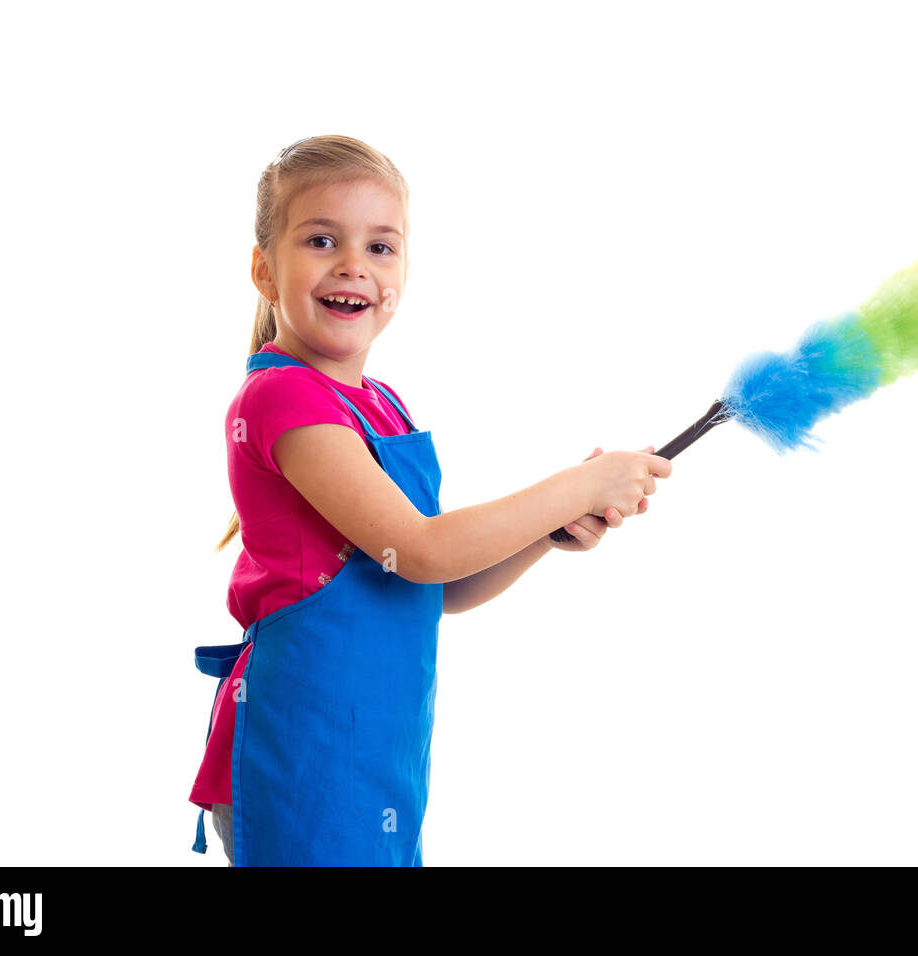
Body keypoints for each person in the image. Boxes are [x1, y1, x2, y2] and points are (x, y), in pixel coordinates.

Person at [187, 134, 670, 866]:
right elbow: (419, 550)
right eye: (322, 240)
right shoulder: (284, 397)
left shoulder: (380, 405)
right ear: (264, 269)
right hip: (302, 757)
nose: (354, 264)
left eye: (381, 248)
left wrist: (548, 532)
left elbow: (432, 584)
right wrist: (575, 486)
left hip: (376, 760)